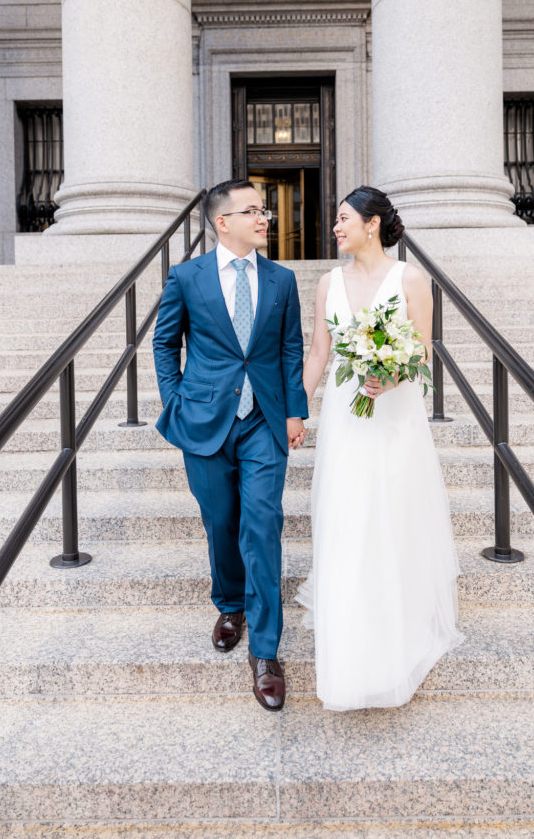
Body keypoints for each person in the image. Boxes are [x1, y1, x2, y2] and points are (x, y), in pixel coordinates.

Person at [296, 185, 464, 711]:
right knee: (347, 515)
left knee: (392, 513)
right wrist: (297, 408)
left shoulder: (410, 279)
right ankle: (351, 624)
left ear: (373, 224)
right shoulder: (328, 283)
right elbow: (320, 351)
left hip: (395, 418)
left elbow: (423, 351)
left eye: (344, 218)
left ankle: (399, 619)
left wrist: (390, 377)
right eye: (336, 219)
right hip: (347, 419)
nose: (336, 227)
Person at [153, 179, 308, 711]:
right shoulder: (186, 277)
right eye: (253, 211)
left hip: (264, 420)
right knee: (220, 522)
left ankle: (265, 650)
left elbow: (291, 349)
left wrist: (295, 410)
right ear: (223, 222)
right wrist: (176, 402)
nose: (265, 218)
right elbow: (164, 341)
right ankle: (231, 605)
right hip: (204, 418)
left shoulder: (282, 280)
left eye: (264, 211)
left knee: (262, 524)